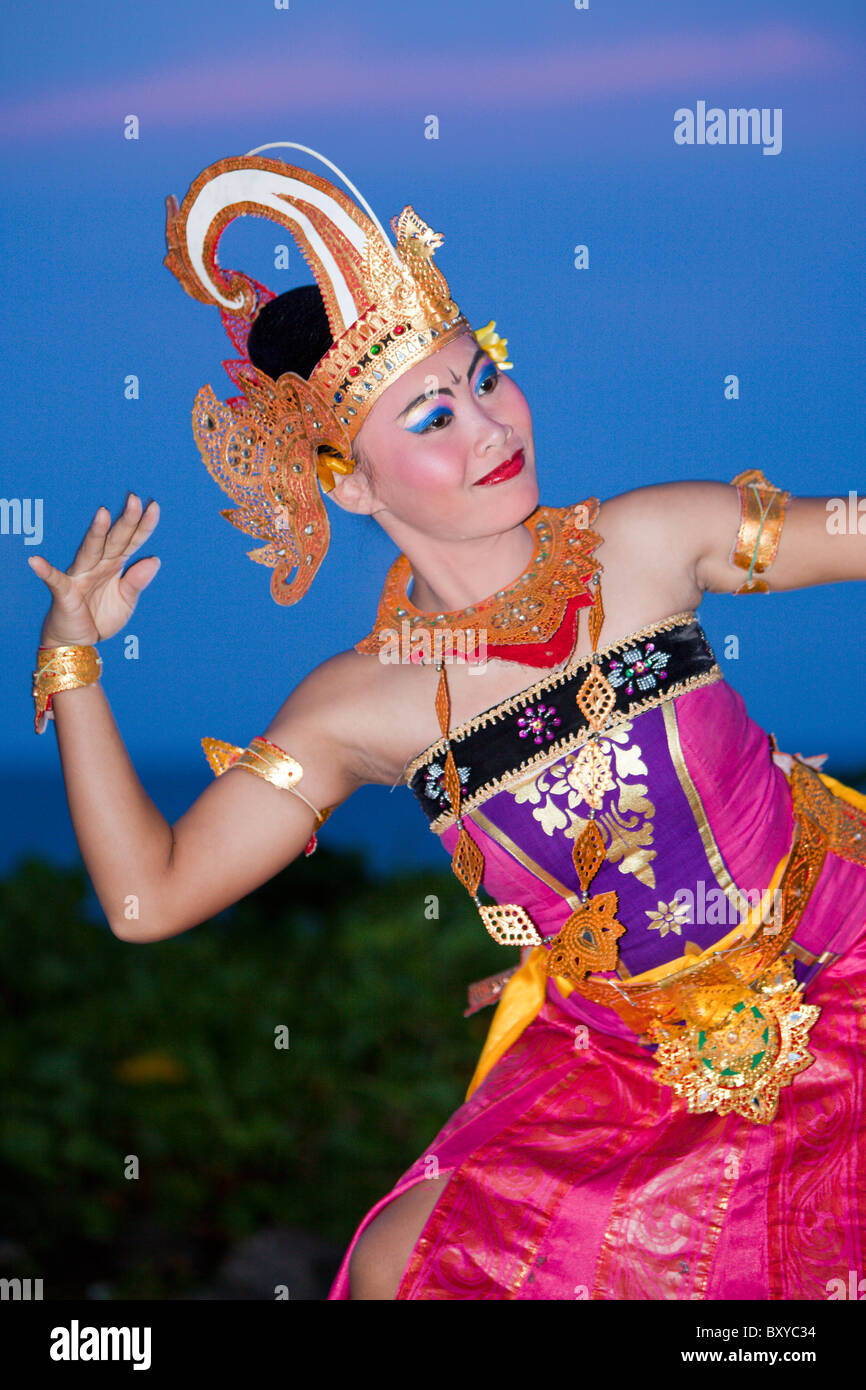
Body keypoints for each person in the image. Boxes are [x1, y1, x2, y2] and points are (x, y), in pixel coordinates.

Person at [28, 147, 866, 1302]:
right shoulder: (356, 707)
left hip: (840, 961)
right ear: (352, 483)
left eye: (484, 375)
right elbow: (145, 899)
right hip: (621, 1063)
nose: (489, 424)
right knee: (400, 1263)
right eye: (433, 413)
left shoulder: (650, 539)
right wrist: (73, 659)